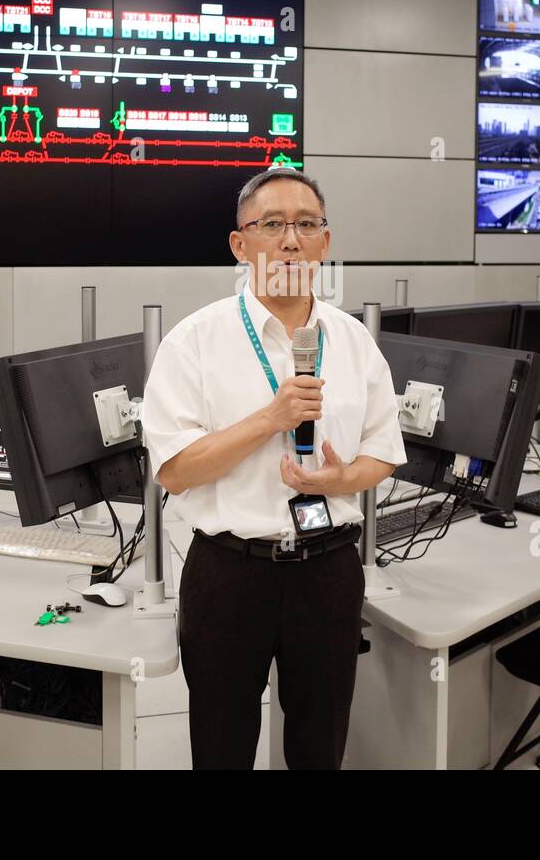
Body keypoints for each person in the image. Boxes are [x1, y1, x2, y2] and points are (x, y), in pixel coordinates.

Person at [140, 167, 407, 770]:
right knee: (222, 745)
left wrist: (339, 481)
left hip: (328, 571)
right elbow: (175, 472)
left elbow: (382, 453)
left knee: (320, 745)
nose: (291, 240)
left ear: (325, 243)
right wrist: (270, 418)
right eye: (273, 225)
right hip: (230, 575)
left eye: (307, 225)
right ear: (240, 244)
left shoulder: (354, 340)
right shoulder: (194, 342)